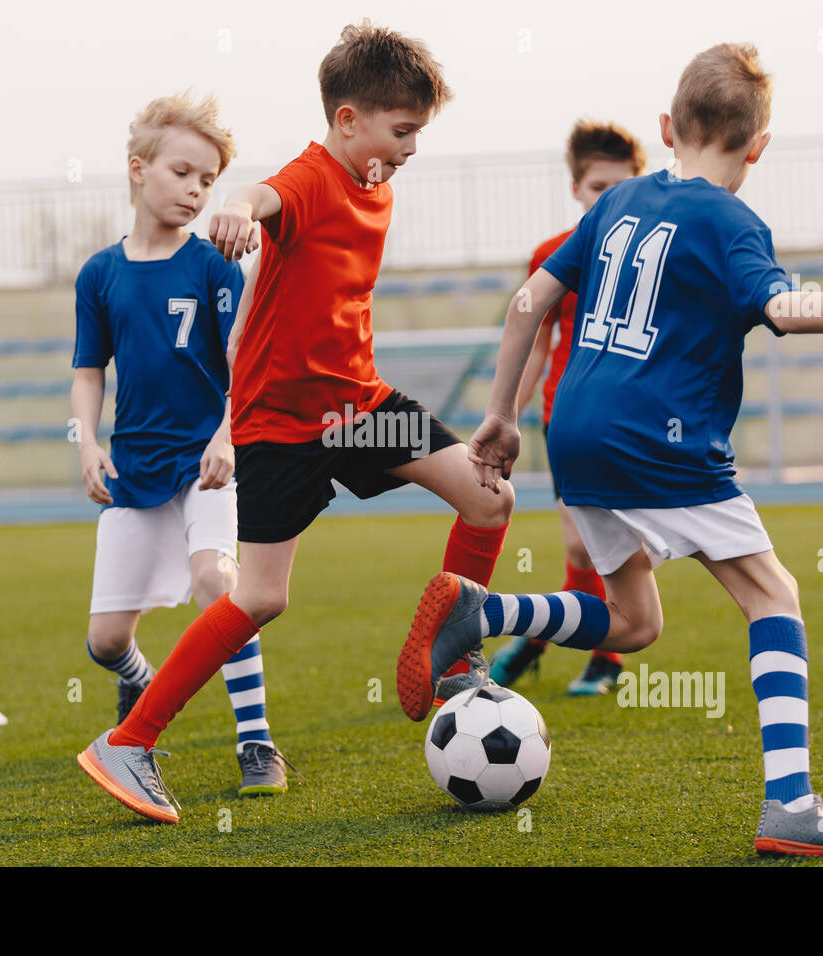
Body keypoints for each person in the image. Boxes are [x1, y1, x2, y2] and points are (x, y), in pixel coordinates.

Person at [399, 42, 823, 855]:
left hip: (575, 432)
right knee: (774, 596)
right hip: (660, 441)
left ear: (668, 126)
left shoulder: (618, 202)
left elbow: (528, 299)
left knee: (635, 622)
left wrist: (499, 416)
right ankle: (790, 803)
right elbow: (784, 310)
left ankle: (484, 612)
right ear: (760, 146)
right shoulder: (730, 221)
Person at [77, 22, 513, 823]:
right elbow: (260, 196)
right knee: (260, 598)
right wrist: (236, 211)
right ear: (348, 120)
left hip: (357, 411)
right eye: (401, 130)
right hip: (280, 428)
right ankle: (129, 742)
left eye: (419, 131)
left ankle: (455, 660)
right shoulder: (311, 179)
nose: (412, 147)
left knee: (489, 499)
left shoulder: (378, 181)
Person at [71, 92, 290, 809]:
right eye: (183, 172)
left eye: (208, 179)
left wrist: (229, 435)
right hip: (136, 467)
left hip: (207, 461)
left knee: (217, 585)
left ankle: (255, 738)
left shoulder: (215, 265)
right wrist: (88, 445)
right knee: (104, 640)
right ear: (138, 170)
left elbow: (243, 360)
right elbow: (88, 371)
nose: (197, 190)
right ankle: (138, 677)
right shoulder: (99, 274)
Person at [491, 119, 646, 696]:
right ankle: (604, 659)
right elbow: (536, 343)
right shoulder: (553, 254)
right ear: (577, 190)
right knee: (583, 544)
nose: (609, 197)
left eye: (622, 186)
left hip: (638, 422)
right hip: (569, 420)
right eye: (598, 188)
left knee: (630, 547)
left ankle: (535, 640)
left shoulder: (649, 257)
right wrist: (506, 412)